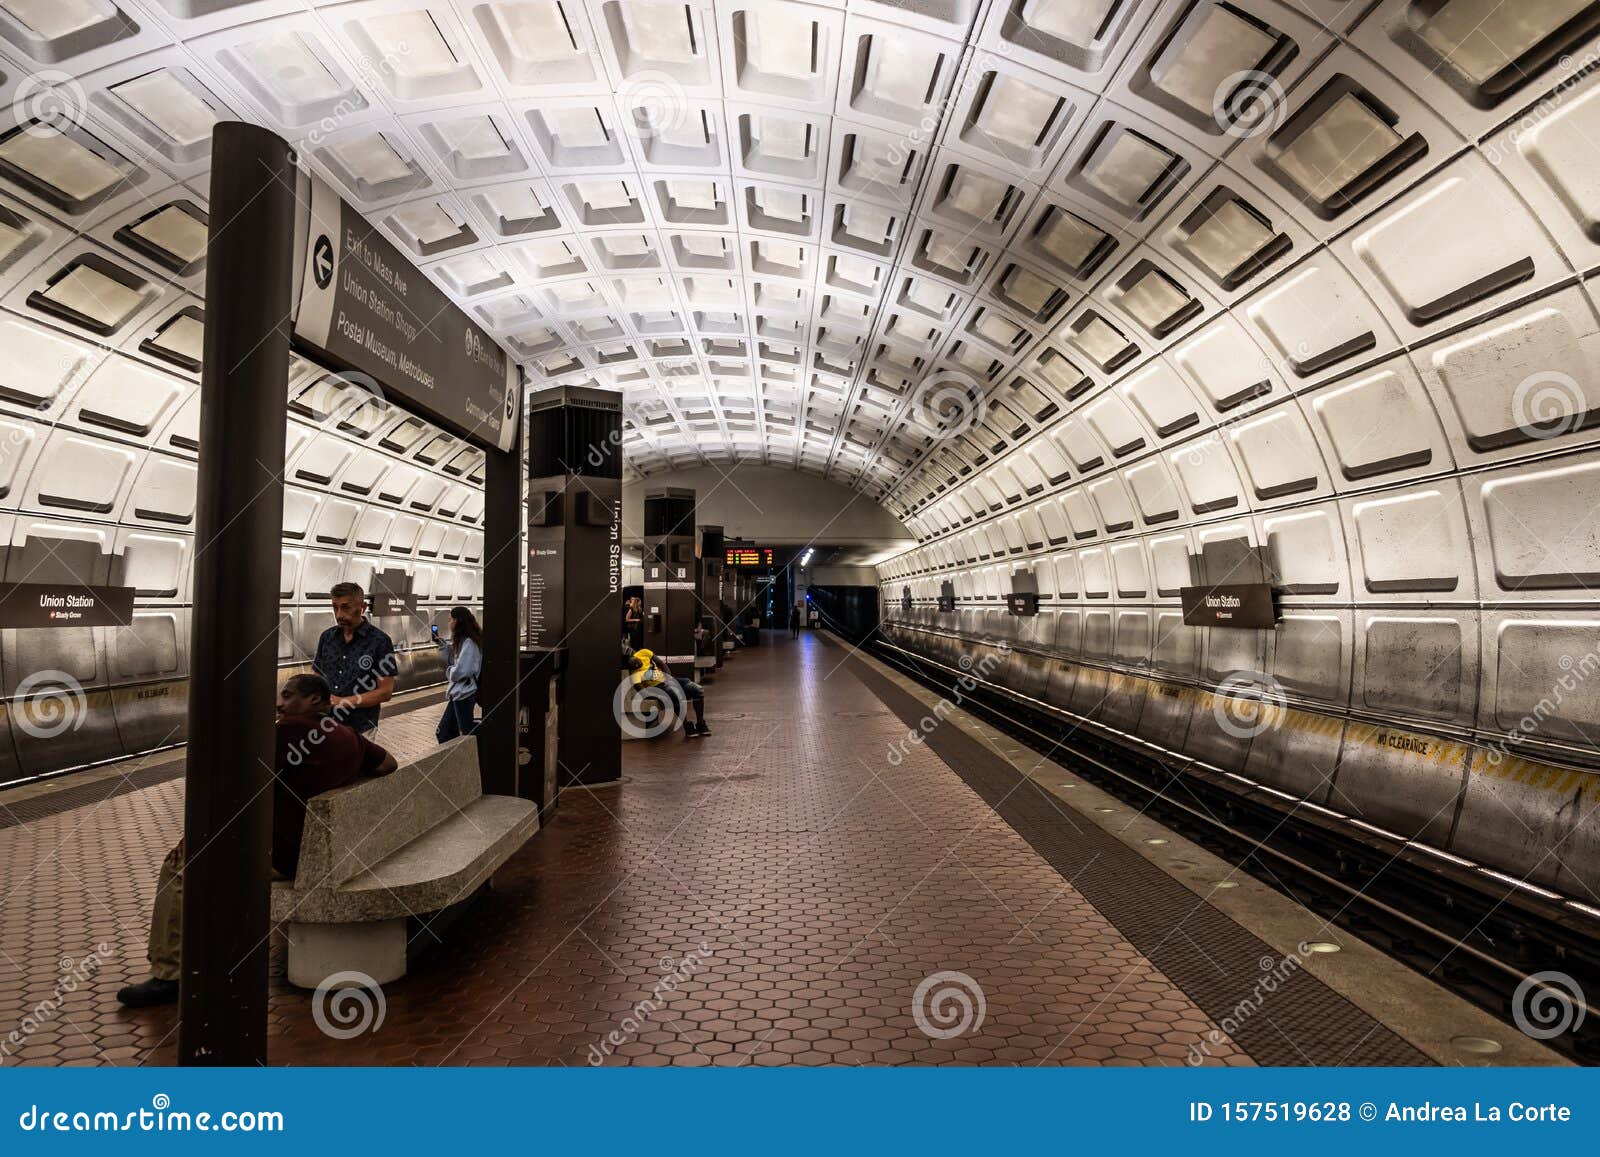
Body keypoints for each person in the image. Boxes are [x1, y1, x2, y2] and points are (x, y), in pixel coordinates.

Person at [116, 675, 397, 1008]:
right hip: (324, 852)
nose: (279, 703)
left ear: (315, 700)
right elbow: (388, 764)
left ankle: (169, 973)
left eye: (288, 696)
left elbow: (230, 780)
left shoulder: (283, 735)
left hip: (284, 857)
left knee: (179, 868)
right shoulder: (348, 736)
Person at [313, 582, 396, 735]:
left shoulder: (380, 641)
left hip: (360, 727)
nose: (339, 615)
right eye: (335, 607)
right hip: (325, 724)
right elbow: (317, 677)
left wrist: (342, 702)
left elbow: (385, 692)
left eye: (346, 608)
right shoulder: (327, 637)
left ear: (362, 607)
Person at [629, 647, 709, 738]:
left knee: (697, 689)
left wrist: (669, 678)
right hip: (658, 687)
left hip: (669, 680)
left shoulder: (644, 652)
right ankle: (687, 725)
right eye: (635, 667)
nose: (638, 666)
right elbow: (642, 692)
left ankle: (701, 723)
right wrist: (656, 695)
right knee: (675, 694)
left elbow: (662, 664)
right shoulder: (635, 674)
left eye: (638, 663)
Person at [432, 606, 483, 743]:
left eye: (451, 619)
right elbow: (454, 660)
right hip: (459, 693)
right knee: (446, 732)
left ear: (457, 621)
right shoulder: (464, 641)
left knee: (463, 731)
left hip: (464, 693)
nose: (450, 623)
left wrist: (449, 672)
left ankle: (489, 737)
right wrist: (442, 645)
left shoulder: (469, 642)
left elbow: (462, 670)